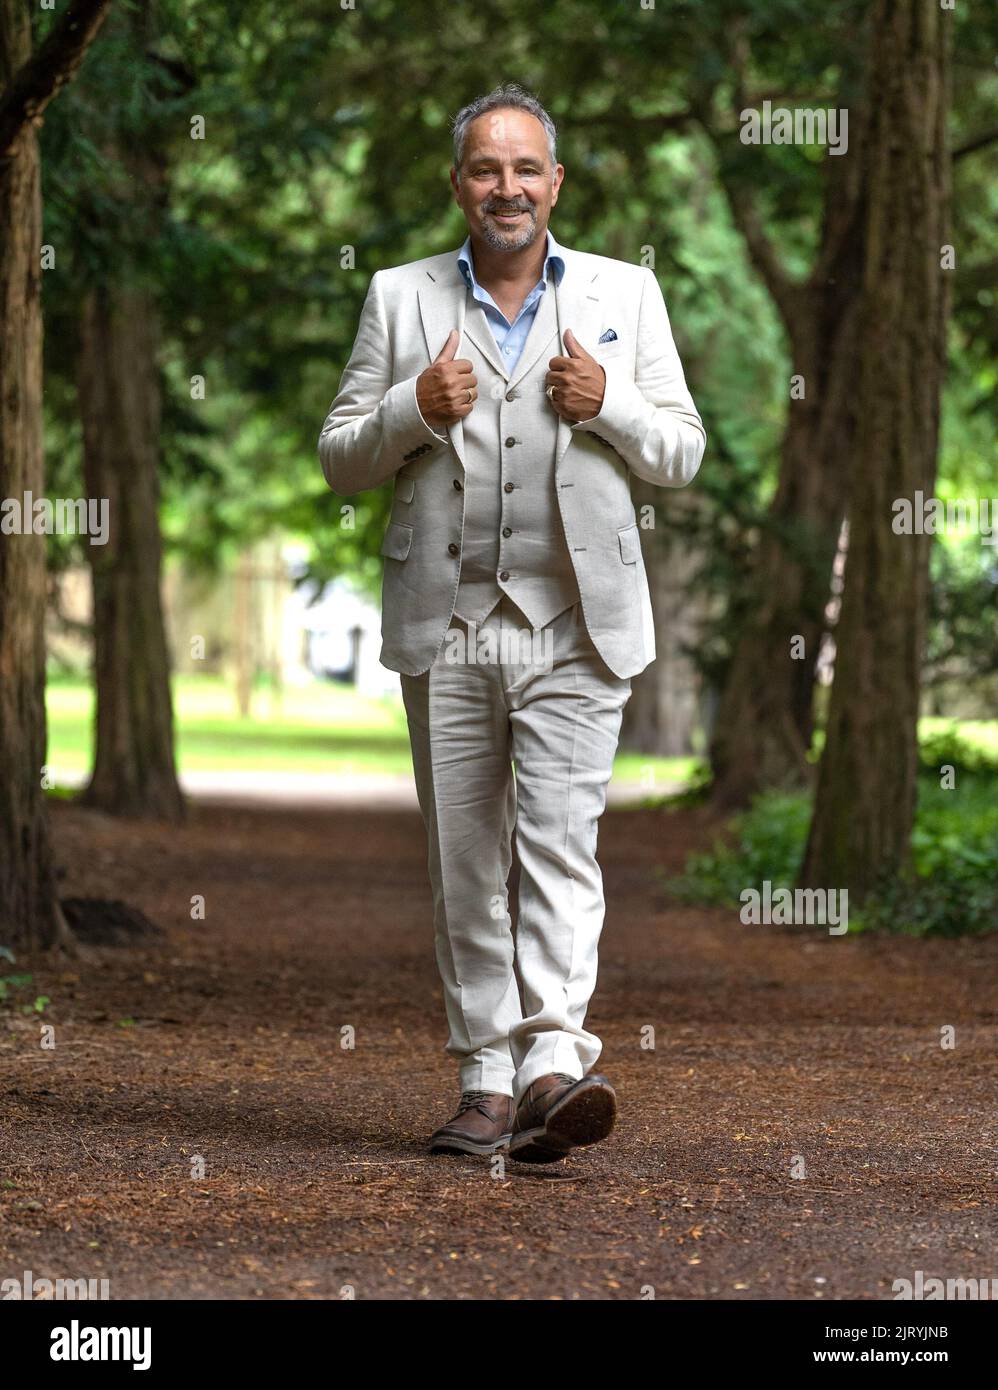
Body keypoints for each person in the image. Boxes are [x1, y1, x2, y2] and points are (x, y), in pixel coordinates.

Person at [319, 82, 705, 1164]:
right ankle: (485, 1076)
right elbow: (340, 454)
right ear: (457, 186)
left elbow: (680, 449)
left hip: (577, 624)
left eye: (525, 168)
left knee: (558, 847)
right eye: (485, 169)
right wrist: (410, 411)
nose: (506, 187)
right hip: (447, 624)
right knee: (464, 855)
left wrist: (609, 406)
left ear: (555, 183)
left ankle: (551, 1061)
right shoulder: (399, 299)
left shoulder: (626, 293)